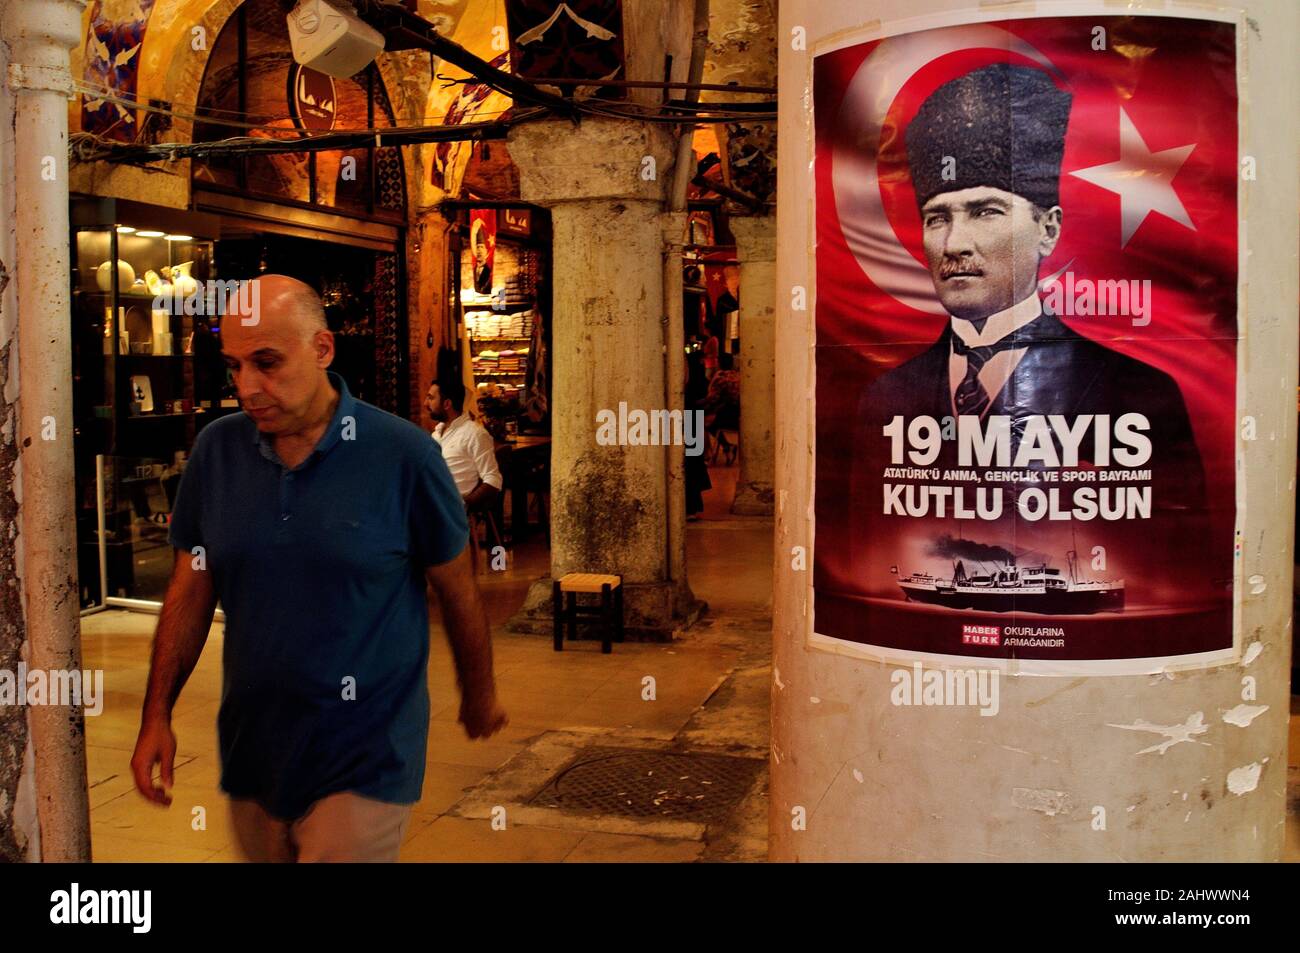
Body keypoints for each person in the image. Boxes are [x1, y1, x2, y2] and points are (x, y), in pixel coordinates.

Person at [130, 275, 508, 862]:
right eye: (234, 366)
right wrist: (157, 714)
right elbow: (190, 590)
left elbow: (456, 584)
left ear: (323, 349)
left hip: (366, 750)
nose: (247, 387)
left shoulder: (403, 455)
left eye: (267, 363)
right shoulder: (217, 452)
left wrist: (477, 692)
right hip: (255, 748)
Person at [856, 63, 1203, 510]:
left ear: (1048, 230)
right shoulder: (883, 399)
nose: (954, 244)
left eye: (986, 212)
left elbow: (1176, 555)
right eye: (937, 218)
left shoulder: (1141, 393)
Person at [426, 377, 503, 511]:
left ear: (447, 404)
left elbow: (493, 480)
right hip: (429, 501)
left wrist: (464, 505)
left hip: (447, 509)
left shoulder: (475, 434)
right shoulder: (436, 433)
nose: (425, 403)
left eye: (431, 398)